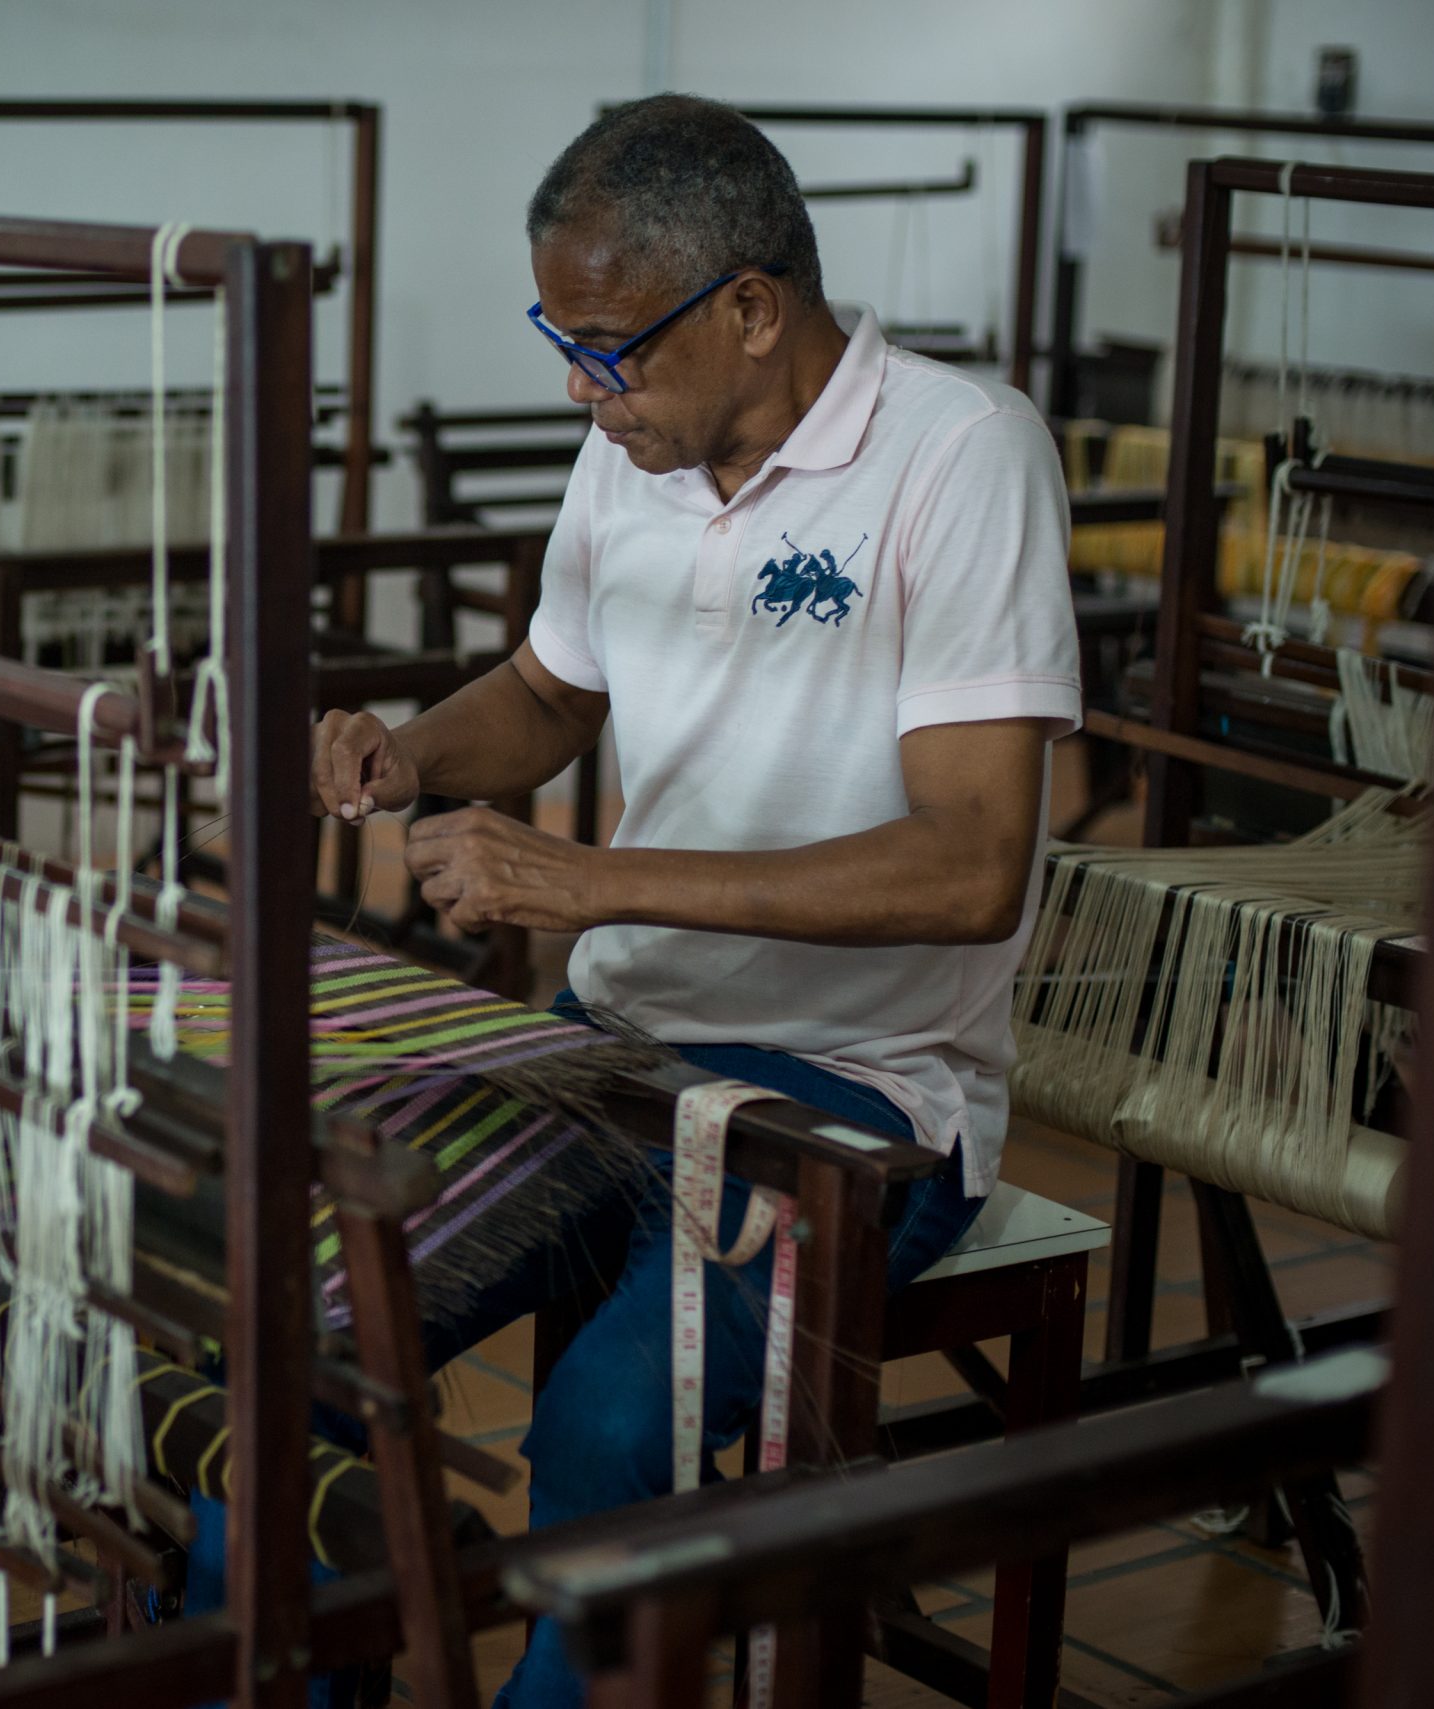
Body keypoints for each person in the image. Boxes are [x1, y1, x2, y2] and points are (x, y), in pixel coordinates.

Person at [306, 94, 1079, 1707]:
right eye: (562, 340)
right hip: (621, 1048)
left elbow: (969, 860)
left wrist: (585, 879)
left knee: (604, 1420)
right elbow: (546, 689)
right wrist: (413, 748)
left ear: (750, 308)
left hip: (860, 1099)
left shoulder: (962, 455)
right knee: (325, 1315)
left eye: (611, 346)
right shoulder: (629, 457)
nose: (584, 388)